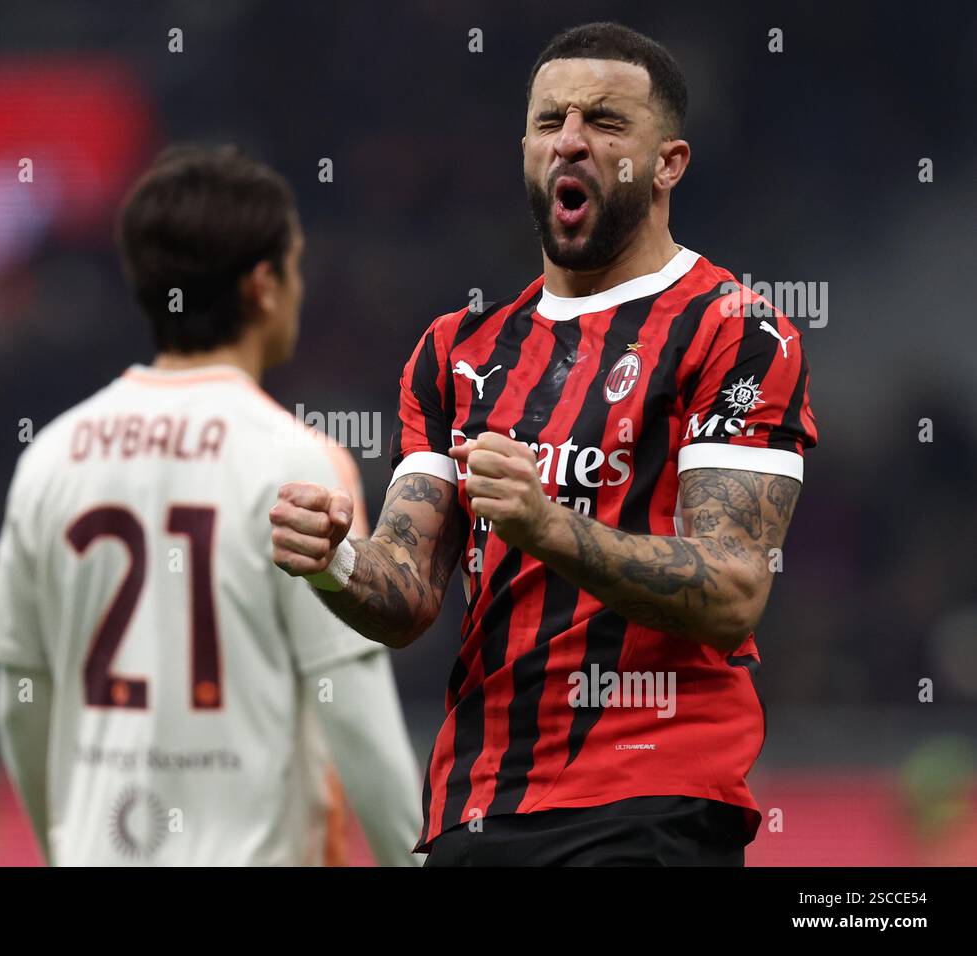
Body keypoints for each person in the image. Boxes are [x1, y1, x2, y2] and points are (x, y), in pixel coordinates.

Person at [270, 22, 817, 866]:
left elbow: (734, 590)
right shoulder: (457, 350)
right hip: (476, 806)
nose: (569, 140)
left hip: (651, 799)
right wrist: (334, 561)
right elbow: (408, 595)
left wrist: (547, 525)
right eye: (549, 120)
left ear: (668, 162)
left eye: (604, 121)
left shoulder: (738, 331)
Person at [0, 144, 422, 865]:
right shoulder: (300, 463)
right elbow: (359, 719)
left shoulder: (49, 460)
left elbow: (19, 703)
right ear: (263, 285)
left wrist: (64, 848)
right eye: (296, 265)